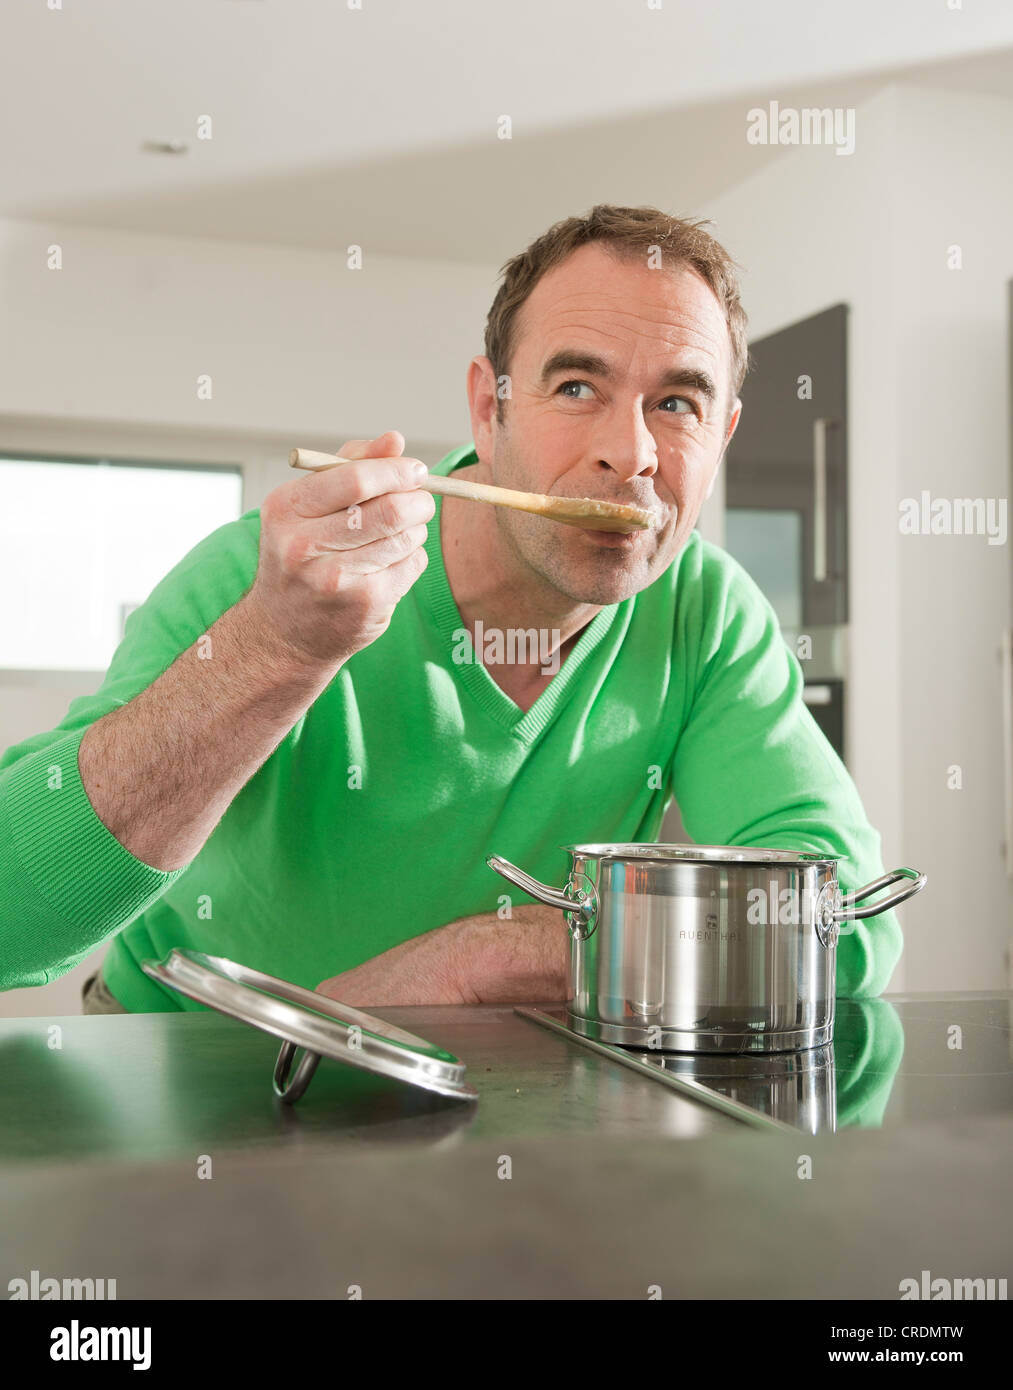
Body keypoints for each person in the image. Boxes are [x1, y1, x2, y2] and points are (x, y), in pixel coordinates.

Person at [0, 204, 902, 1015]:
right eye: (576, 388)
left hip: (495, 1092)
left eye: (675, 403)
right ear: (487, 407)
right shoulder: (259, 577)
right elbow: (10, 921)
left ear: (722, 436)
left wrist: (477, 961)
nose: (630, 455)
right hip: (191, 1077)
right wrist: (275, 648)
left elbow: (843, 925)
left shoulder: (704, 611)